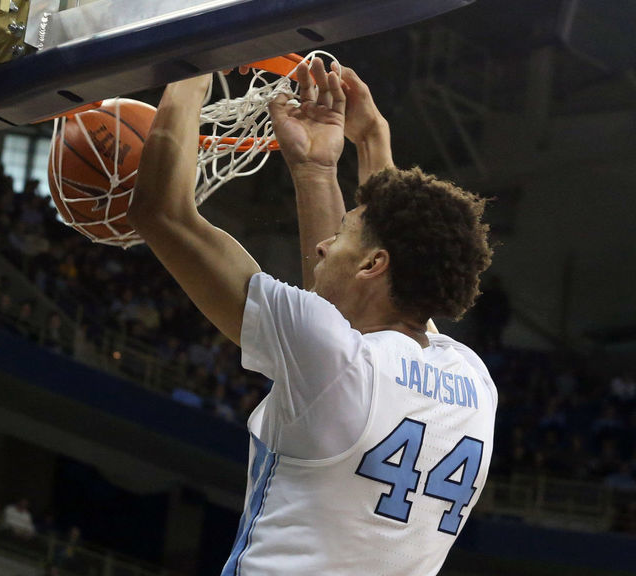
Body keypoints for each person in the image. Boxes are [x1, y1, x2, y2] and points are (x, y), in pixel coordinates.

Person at [127, 57, 496, 576]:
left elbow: (160, 213)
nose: (322, 247)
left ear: (372, 263)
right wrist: (327, 164)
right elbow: (396, 272)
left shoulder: (338, 365)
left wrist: (191, 68)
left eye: (340, 237)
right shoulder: (472, 380)